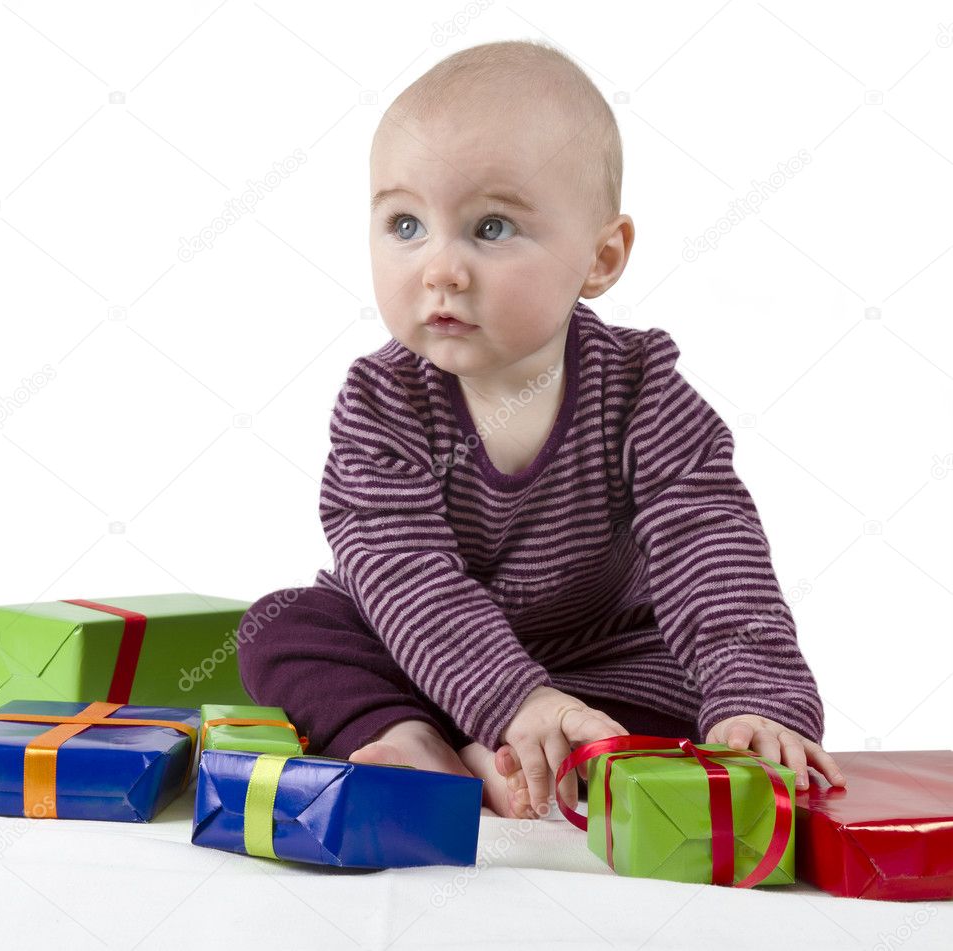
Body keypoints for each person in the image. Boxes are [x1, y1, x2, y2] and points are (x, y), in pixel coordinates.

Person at [237, 39, 846, 820]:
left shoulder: (642, 390)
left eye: (490, 228)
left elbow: (709, 544)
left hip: (597, 661)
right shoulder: (380, 401)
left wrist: (755, 699)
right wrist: (510, 695)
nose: (440, 268)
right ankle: (414, 733)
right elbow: (403, 573)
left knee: (686, 698)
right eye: (404, 224)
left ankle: (532, 749)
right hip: (418, 645)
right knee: (280, 625)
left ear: (600, 257)